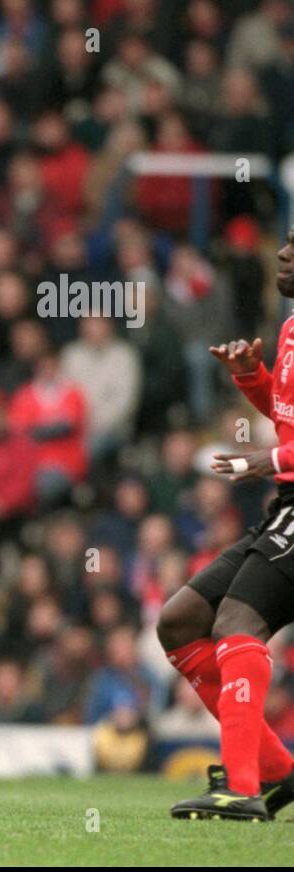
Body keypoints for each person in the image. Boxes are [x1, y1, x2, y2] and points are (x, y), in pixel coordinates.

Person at [159, 225, 294, 821]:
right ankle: (279, 773)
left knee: (238, 620)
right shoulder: (291, 329)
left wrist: (273, 459)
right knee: (181, 619)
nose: (283, 254)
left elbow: (284, 446)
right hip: (286, 508)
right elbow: (286, 417)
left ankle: (242, 789)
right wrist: (252, 379)